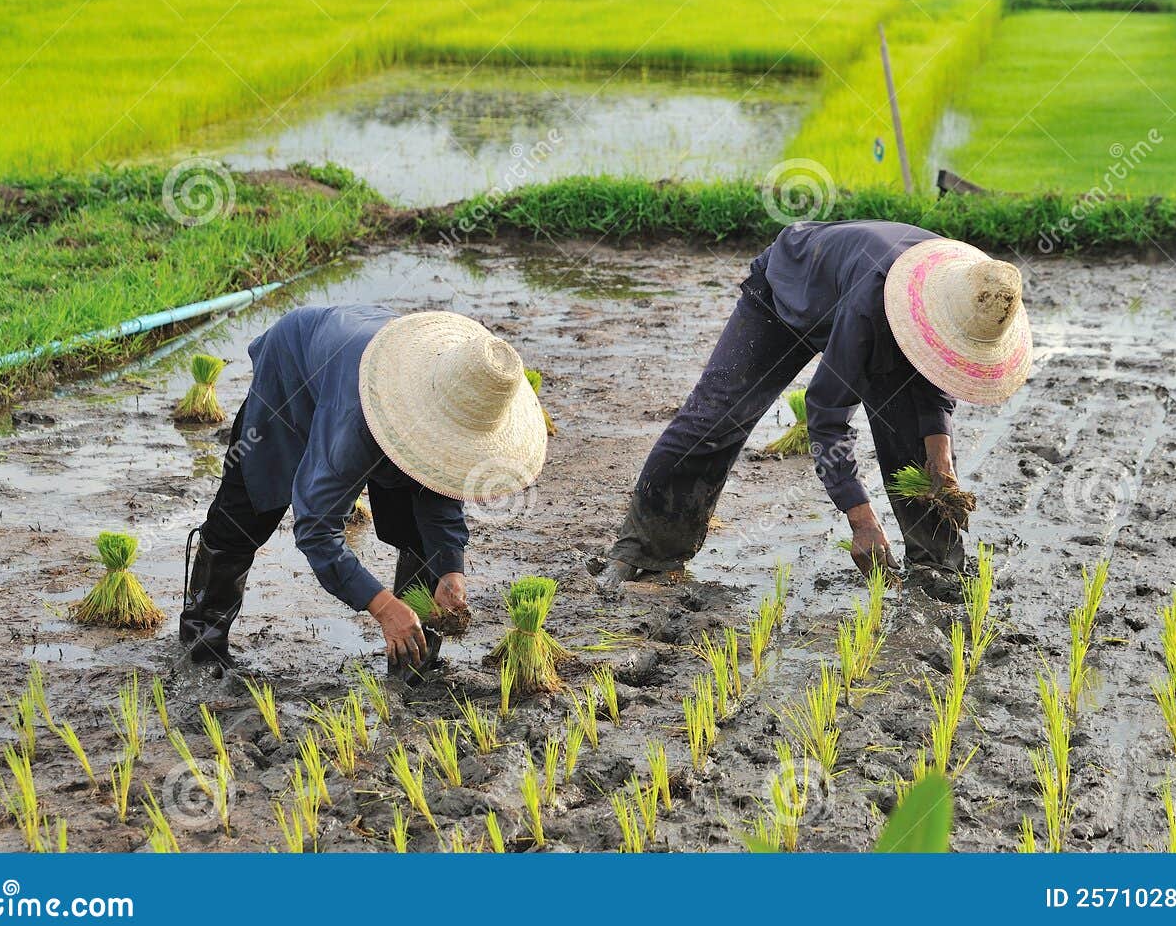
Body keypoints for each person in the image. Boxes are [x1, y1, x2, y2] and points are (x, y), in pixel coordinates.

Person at [599, 221, 1031, 588]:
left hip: (864, 289)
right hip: (789, 289)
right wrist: (860, 518)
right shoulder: (873, 308)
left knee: (914, 436)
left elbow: (934, 388)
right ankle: (643, 547)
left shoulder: (972, 288)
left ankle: (937, 571)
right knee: (719, 414)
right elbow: (826, 415)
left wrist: (942, 463)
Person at [179, 305, 547, 669]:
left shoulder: (451, 389)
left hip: (368, 378)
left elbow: (441, 488)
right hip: (294, 379)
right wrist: (383, 607)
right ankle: (202, 647)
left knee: (418, 530)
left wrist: (451, 569)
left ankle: (412, 657)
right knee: (245, 515)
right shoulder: (355, 425)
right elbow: (316, 530)